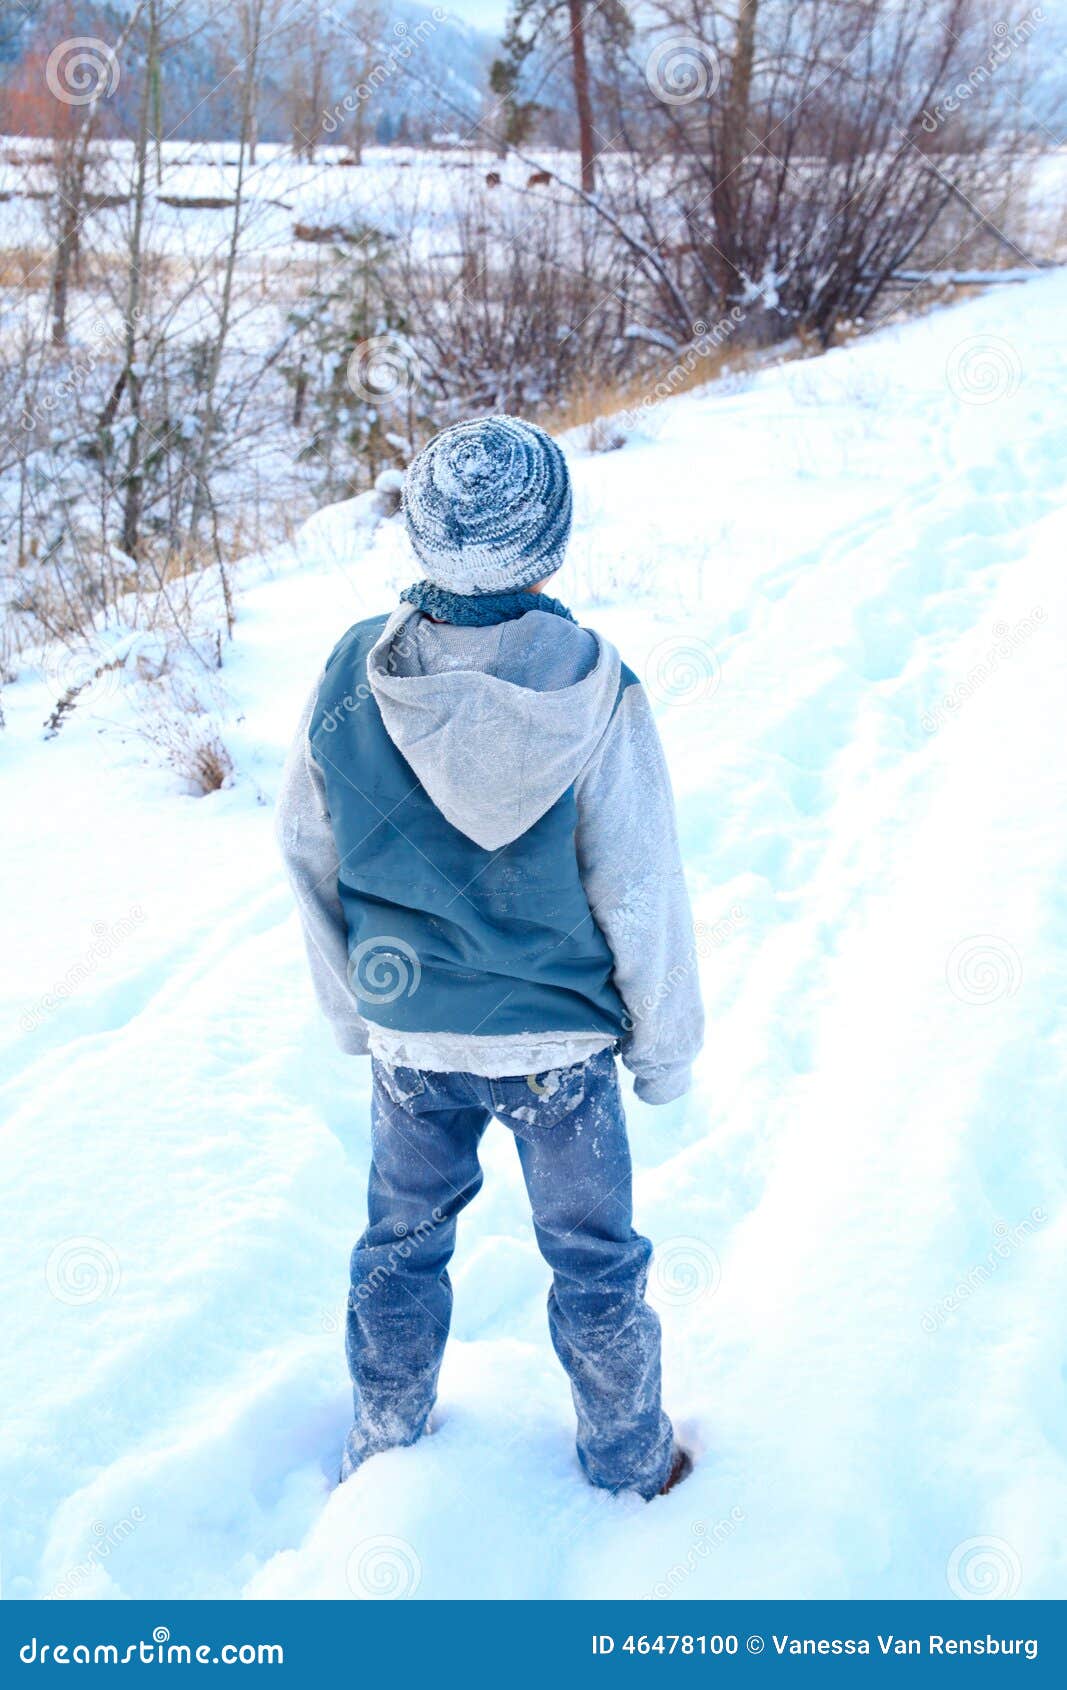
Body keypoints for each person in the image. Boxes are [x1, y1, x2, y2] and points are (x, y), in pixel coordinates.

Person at [276, 415, 704, 1499]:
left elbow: (306, 849)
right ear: (547, 545)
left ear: (424, 536)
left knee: (399, 1246)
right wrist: (662, 1048)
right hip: (558, 1047)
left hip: (412, 1039)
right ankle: (628, 1459)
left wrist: (352, 1010)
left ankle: (384, 1438)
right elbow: (638, 882)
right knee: (595, 1260)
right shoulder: (593, 686)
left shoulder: (349, 673)